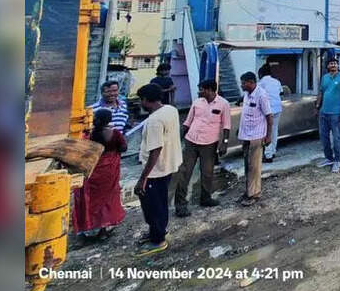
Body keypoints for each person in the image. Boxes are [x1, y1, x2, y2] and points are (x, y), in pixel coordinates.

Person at [134, 83, 181, 256]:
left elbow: (156, 150)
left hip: (156, 169)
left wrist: (143, 178)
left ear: (146, 100)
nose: (141, 104)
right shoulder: (170, 109)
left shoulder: (154, 121)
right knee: (160, 202)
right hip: (168, 164)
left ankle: (158, 239)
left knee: (153, 205)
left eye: (141, 100)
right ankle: (158, 230)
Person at [173, 79, 230, 217]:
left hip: (209, 144)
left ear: (210, 90)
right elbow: (188, 121)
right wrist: (178, 139)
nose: (200, 91)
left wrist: (224, 143)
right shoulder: (197, 102)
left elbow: (226, 126)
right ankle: (180, 205)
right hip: (191, 141)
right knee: (185, 172)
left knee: (207, 173)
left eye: (202, 89)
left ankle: (205, 198)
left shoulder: (223, 104)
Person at [72, 108, 126, 240]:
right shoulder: (114, 134)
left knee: (90, 199)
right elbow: (123, 147)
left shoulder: (87, 135)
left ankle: (87, 227)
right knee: (108, 198)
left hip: (92, 169)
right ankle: (103, 229)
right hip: (109, 170)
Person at [237, 72, 273, 206]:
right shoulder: (247, 94)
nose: (241, 85)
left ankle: (254, 194)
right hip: (246, 135)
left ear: (251, 82)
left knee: (254, 167)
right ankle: (248, 191)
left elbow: (269, 117)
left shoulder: (261, 95)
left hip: (257, 137)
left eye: (243, 83)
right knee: (247, 166)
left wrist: (269, 136)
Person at [316, 58, 340, 173]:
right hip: (323, 112)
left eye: (335, 63)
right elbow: (321, 92)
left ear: (338, 65)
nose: (334, 65)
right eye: (331, 63)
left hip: (336, 114)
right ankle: (329, 158)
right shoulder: (324, 78)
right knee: (324, 137)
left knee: (336, 138)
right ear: (328, 66)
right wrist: (317, 106)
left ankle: (337, 161)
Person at [258, 65, 283, 163]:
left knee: (267, 132)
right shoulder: (277, 81)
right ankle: (273, 151)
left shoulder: (260, 83)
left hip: (268, 111)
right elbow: (281, 93)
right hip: (278, 108)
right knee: (274, 131)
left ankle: (268, 155)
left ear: (261, 73)